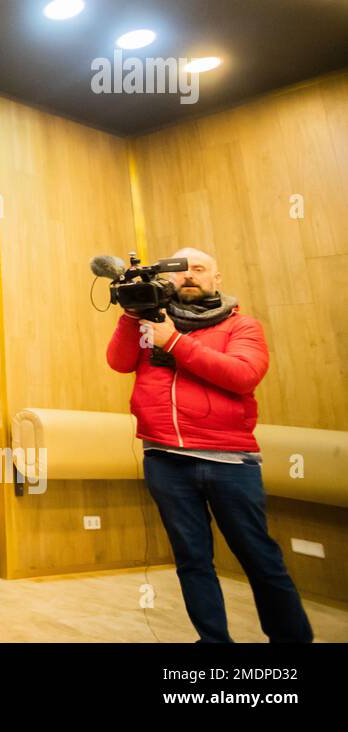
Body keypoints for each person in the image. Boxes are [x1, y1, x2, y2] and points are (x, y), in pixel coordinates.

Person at [106, 247, 313, 643]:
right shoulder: (151, 323)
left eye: (199, 269)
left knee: (260, 558)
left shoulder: (243, 326)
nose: (189, 276)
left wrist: (175, 343)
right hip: (165, 459)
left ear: (216, 279)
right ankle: (213, 641)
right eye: (181, 271)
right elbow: (118, 362)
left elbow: (243, 375)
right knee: (192, 561)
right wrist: (131, 315)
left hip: (229, 462)